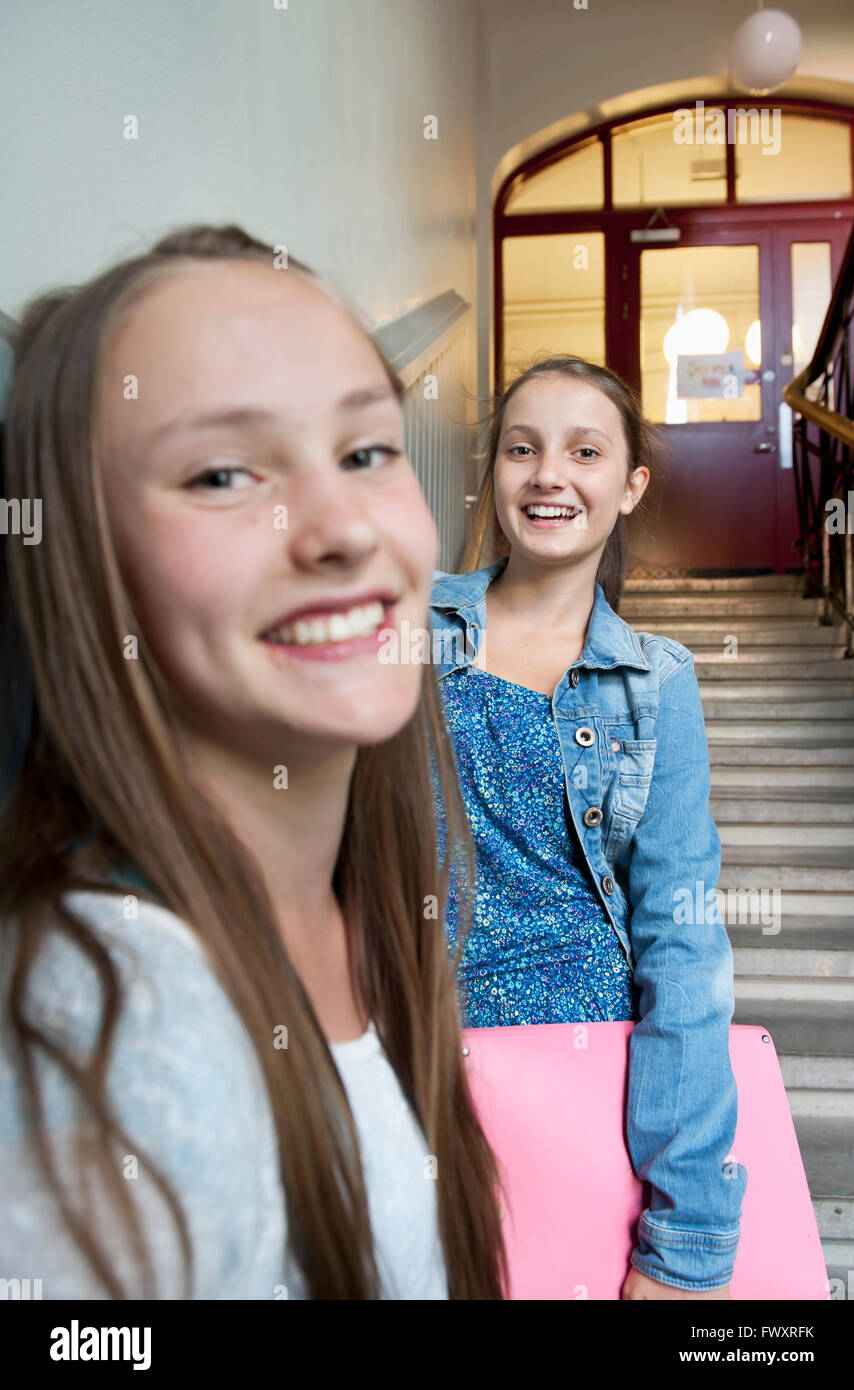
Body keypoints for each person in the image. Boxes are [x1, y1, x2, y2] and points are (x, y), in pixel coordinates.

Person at [0, 224, 507, 1300]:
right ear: (89, 567)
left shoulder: (382, 901)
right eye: (223, 474)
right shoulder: (114, 1035)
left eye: (367, 452)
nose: (338, 529)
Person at [428, 355, 747, 1299]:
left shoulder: (659, 684)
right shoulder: (408, 626)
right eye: (521, 449)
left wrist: (687, 1233)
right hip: (410, 1050)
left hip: (584, 1075)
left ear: (630, 485)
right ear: (494, 475)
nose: (548, 476)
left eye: (585, 451)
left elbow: (683, 938)